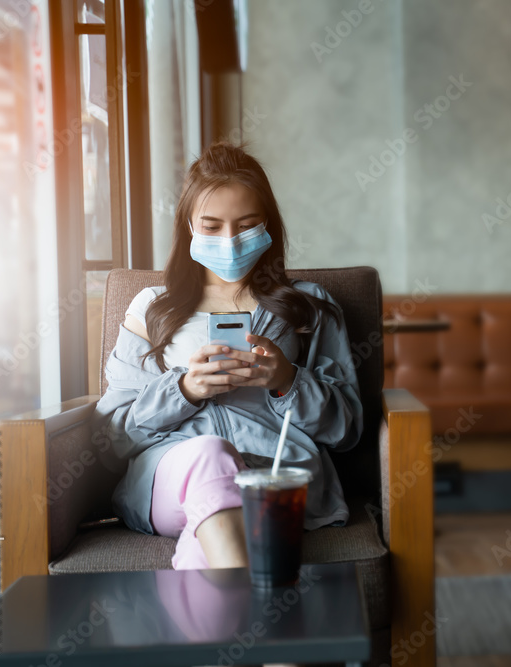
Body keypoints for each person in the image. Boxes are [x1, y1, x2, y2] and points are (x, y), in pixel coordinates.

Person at [92, 141, 363, 573]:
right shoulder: (152, 309)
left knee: (216, 530)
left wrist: (287, 381)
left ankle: (221, 630)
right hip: (174, 475)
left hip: (276, 477)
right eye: (212, 226)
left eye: (247, 224)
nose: (230, 241)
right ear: (188, 228)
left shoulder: (309, 308)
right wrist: (183, 389)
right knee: (209, 454)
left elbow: (347, 429)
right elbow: (110, 439)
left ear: (269, 225)